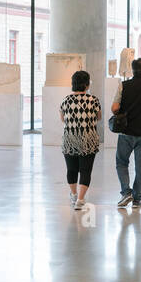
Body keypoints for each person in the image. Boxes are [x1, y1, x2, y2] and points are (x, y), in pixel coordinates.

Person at [111, 57, 141, 208]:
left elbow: (114, 108)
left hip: (126, 132)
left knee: (121, 162)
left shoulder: (123, 86)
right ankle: (137, 199)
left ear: (133, 70)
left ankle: (126, 192)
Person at [59, 69, 101, 210]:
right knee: (85, 170)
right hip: (88, 139)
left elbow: (62, 119)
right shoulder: (93, 100)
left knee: (71, 170)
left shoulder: (66, 100)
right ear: (87, 84)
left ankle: (73, 194)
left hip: (70, 138)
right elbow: (98, 117)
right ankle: (81, 200)